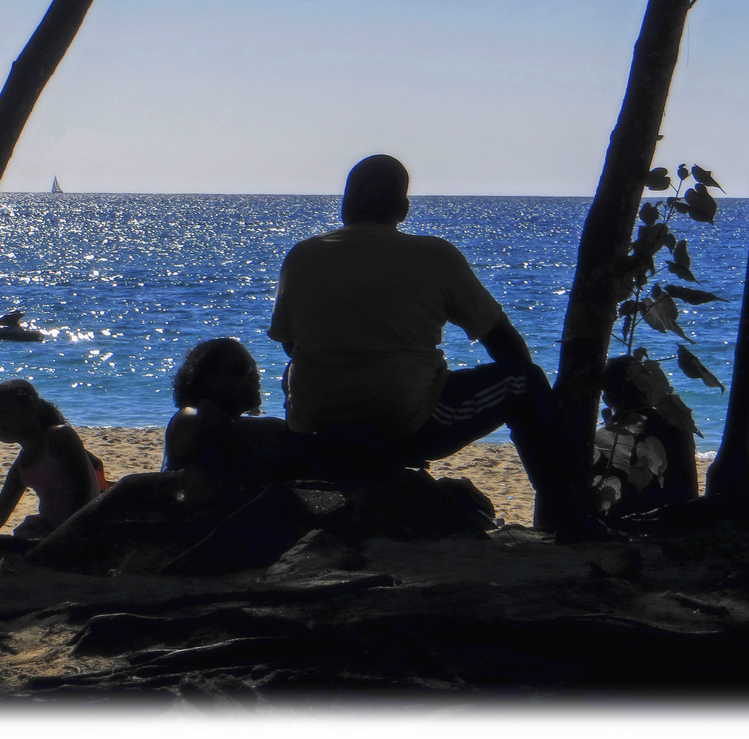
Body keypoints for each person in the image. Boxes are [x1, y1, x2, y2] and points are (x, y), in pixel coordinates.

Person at [267, 154, 606, 538]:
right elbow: (503, 342)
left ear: (345, 202)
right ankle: (566, 516)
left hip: (317, 425)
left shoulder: (302, 256)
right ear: (403, 208)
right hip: (405, 425)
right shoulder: (433, 255)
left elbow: (291, 346)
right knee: (524, 381)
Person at [0, 379, 106, 539]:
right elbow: (1, 510)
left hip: (79, 528)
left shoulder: (60, 436)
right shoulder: (22, 465)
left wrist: (66, 536)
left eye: (5, 414)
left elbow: (82, 494)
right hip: (48, 529)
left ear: (30, 411)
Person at [162, 338, 304, 482]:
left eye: (255, 369)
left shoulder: (233, 427)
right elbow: (208, 425)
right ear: (210, 379)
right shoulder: (188, 417)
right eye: (243, 369)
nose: (256, 376)